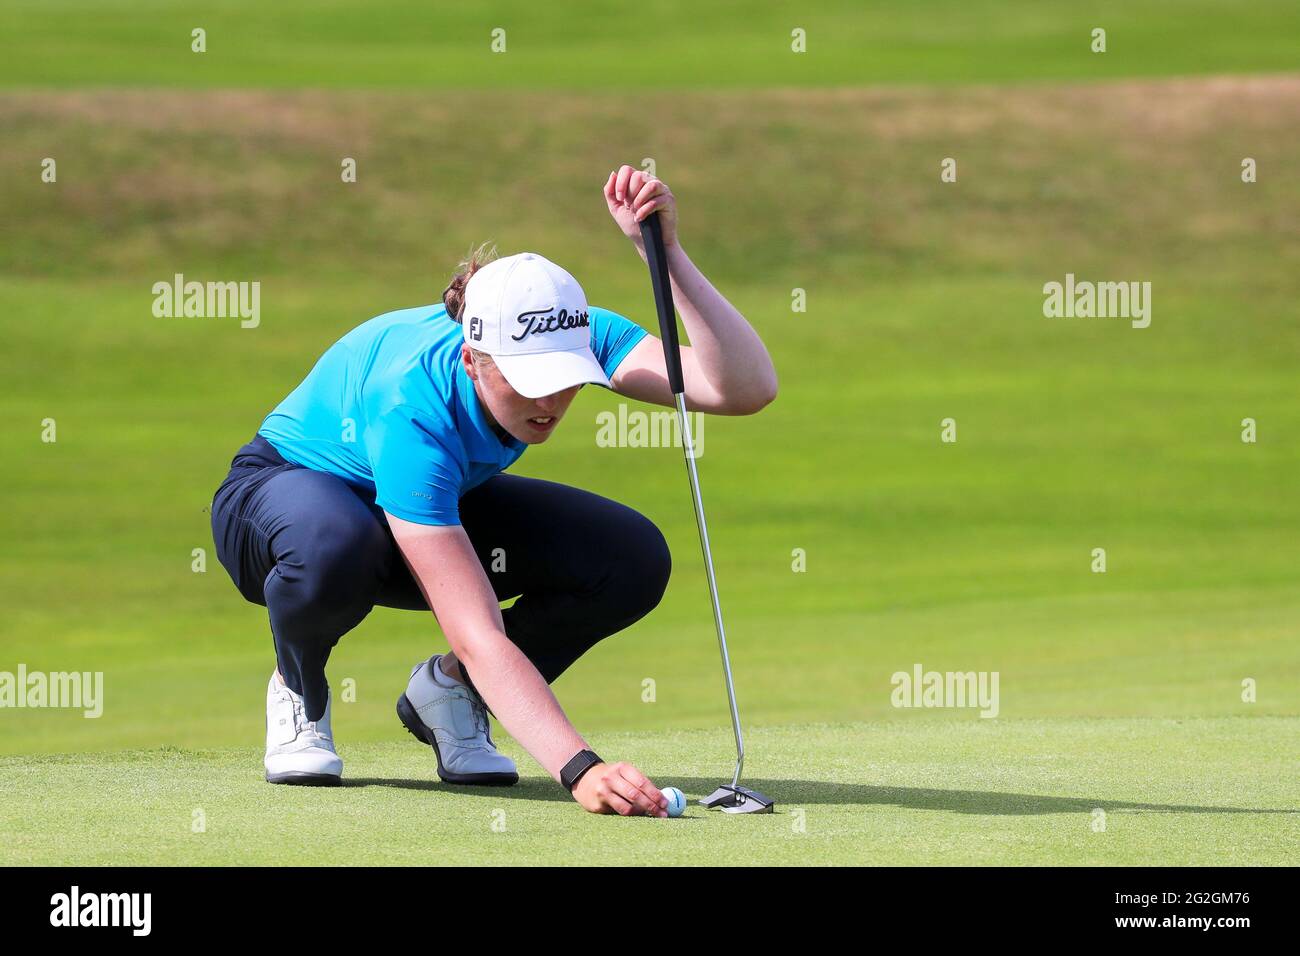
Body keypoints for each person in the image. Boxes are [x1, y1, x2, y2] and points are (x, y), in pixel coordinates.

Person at [209, 166, 778, 816]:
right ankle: (297, 684)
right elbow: (477, 629)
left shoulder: (576, 328)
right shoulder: (411, 407)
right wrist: (580, 770)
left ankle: (451, 694)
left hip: (421, 505)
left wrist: (666, 256)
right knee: (336, 541)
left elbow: (743, 388)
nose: (550, 399)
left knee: (631, 558)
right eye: (526, 378)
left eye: (565, 377)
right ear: (471, 358)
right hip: (277, 503)